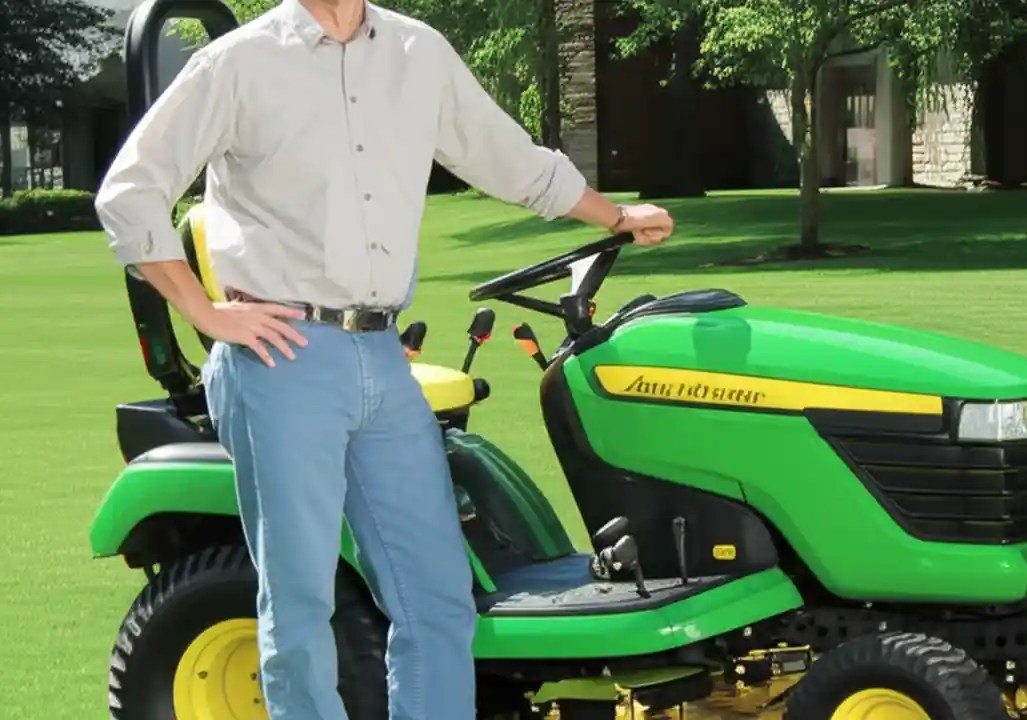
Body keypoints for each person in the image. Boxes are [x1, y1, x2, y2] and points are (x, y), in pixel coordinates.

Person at [93, 0, 675, 717]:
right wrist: (207, 313)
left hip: (382, 357)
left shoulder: (416, 52)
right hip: (283, 360)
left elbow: (509, 159)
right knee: (301, 603)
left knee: (436, 600)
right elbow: (128, 192)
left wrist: (615, 216)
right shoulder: (239, 63)